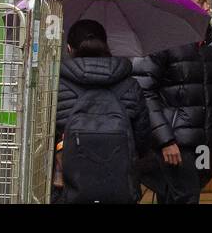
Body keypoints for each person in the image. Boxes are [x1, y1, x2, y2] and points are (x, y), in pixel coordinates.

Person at [134, 0, 212, 204]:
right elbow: (144, 92)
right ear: (183, 4)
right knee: (184, 197)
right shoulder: (161, 41)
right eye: (202, 2)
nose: (208, 7)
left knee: (180, 196)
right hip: (175, 144)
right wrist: (165, 140)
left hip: (201, 143)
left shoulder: (204, 45)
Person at [54, 19, 152, 204]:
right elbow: (142, 139)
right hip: (121, 187)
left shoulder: (58, 86)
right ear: (106, 46)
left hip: (69, 189)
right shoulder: (130, 85)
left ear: (68, 48)